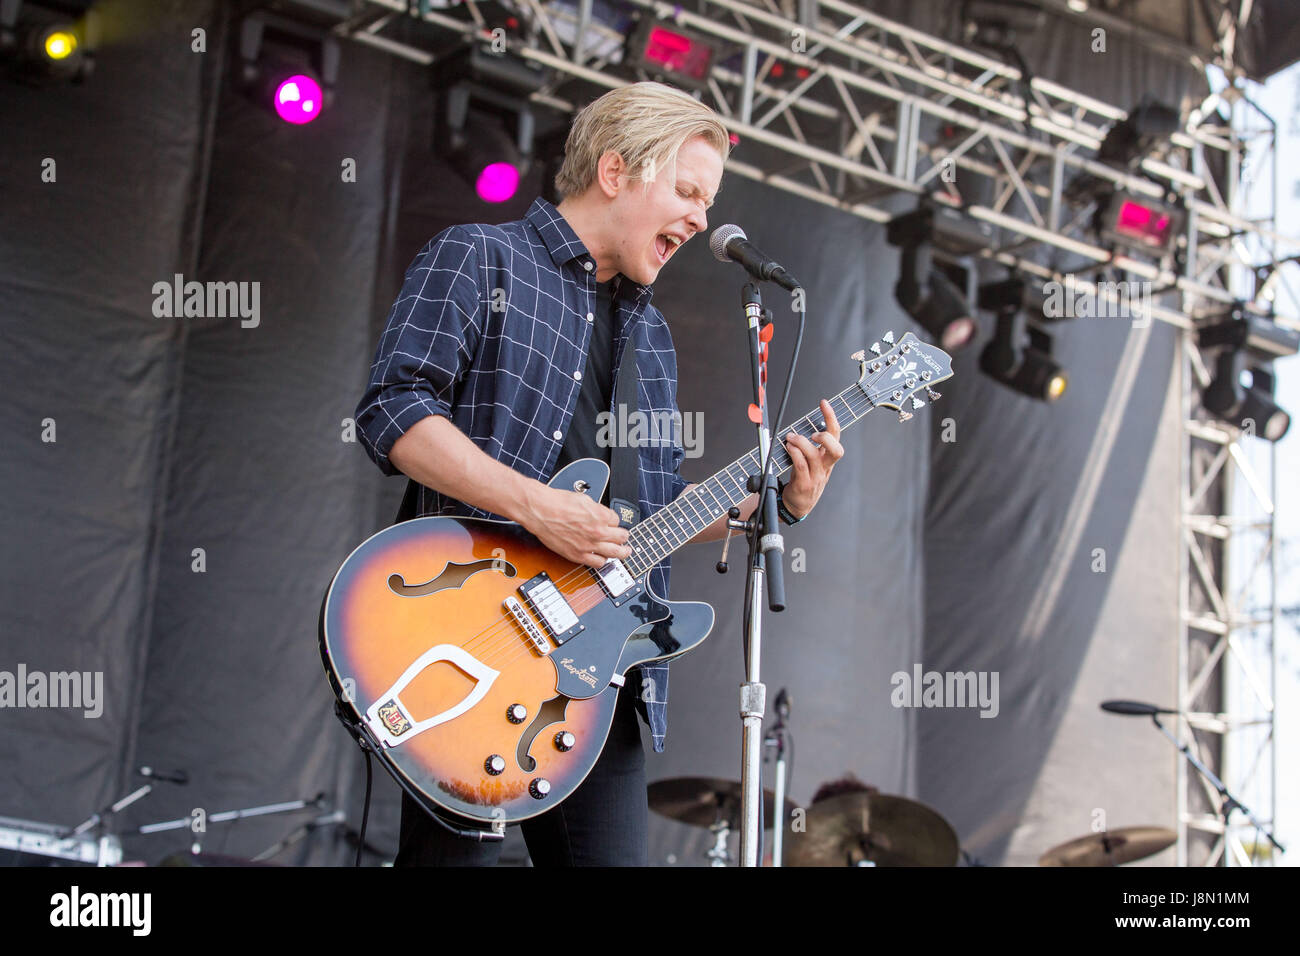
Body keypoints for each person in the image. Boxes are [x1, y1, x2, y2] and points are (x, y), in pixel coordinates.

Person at [354, 81, 845, 866]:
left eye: (708, 202)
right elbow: (392, 410)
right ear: (615, 171)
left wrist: (777, 500)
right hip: (474, 645)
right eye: (686, 191)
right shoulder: (480, 258)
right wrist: (536, 509)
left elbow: (653, 513)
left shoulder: (652, 343)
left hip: (599, 679)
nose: (700, 219)